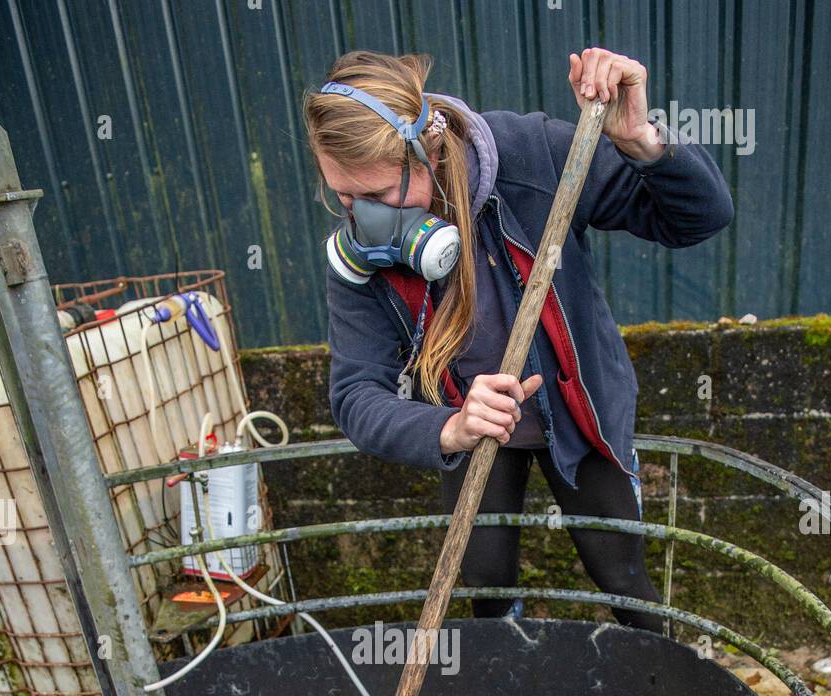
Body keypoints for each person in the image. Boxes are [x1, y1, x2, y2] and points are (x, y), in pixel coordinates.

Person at [303, 48, 734, 629]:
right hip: (471, 426)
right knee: (484, 580)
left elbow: (698, 218)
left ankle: (658, 690)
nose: (364, 220)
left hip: (581, 415)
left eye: (379, 196)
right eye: (345, 197)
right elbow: (356, 394)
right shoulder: (361, 262)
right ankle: (506, 686)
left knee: (622, 572)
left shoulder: (534, 158)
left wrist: (641, 142)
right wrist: (448, 428)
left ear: (428, 152)